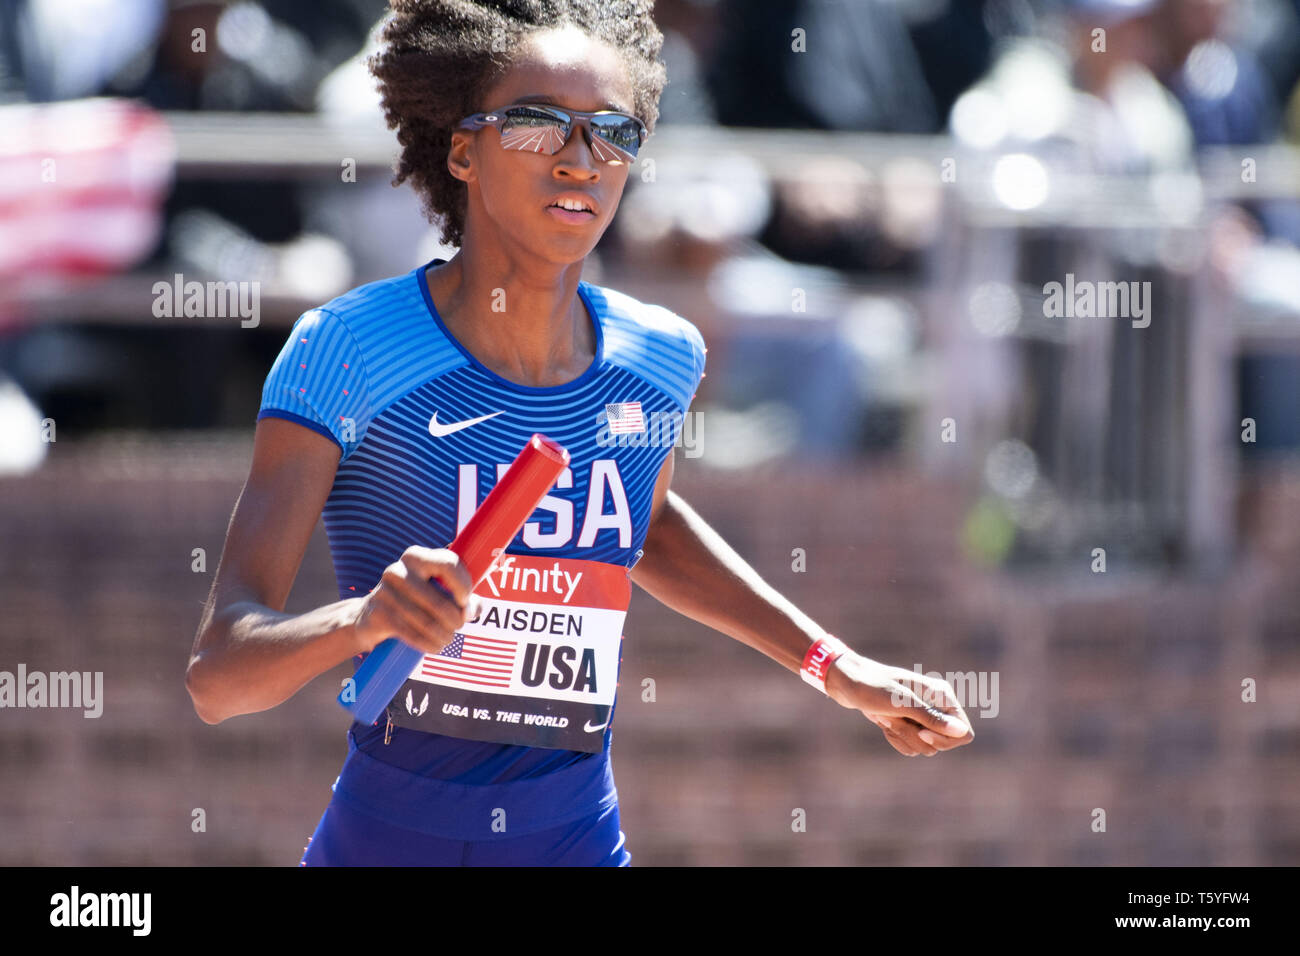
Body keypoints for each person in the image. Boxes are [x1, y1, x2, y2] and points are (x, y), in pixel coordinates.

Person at [185, 0, 974, 867]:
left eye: (613, 132)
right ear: (461, 151)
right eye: (536, 124)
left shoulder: (659, 356)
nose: (581, 158)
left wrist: (835, 666)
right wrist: (364, 621)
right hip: (386, 841)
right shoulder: (347, 349)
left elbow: (647, 525)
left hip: (577, 841)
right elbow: (219, 678)